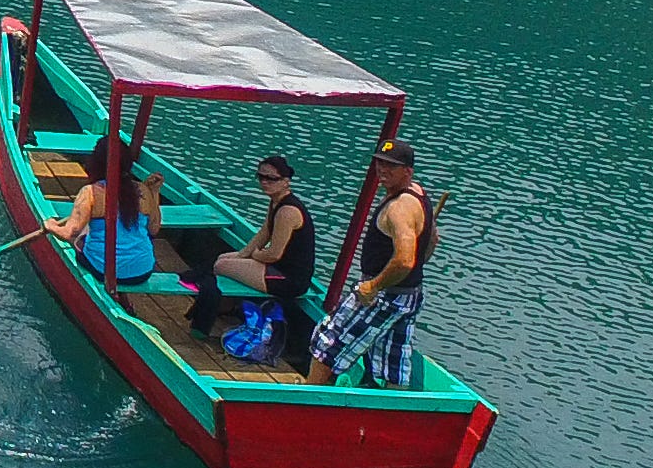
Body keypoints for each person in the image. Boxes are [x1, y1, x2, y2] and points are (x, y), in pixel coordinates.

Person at [309, 140, 434, 388]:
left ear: (408, 171)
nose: (382, 170)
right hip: (409, 295)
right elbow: (432, 239)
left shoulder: (399, 208)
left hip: (383, 295)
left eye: (391, 166)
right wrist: (413, 271)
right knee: (394, 362)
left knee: (327, 345)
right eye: (380, 163)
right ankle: (393, 417)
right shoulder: (418, 194)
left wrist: (373, 286)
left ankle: (308, 401)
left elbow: (405, 259)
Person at [187, 155, 313, 352]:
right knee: (223, 258)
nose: (264, 182)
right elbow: (264, 233)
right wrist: (242, 254)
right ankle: (219, 308)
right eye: (261, 177)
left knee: (220, 266)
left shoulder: (288, 211)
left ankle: (205, 319)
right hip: (275, 268)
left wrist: (253, 255)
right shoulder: (276, 202)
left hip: (289, 279)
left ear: (285, 181)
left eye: (271, 179)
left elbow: (273, 254)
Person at [48, 143, 161, 283]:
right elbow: (154, 229)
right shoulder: (143, 189)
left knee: (80, 240)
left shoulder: (90, 192)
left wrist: (50, 225)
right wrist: (154, 192)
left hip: (103, 270)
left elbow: (69, 233)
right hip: (142, 272)